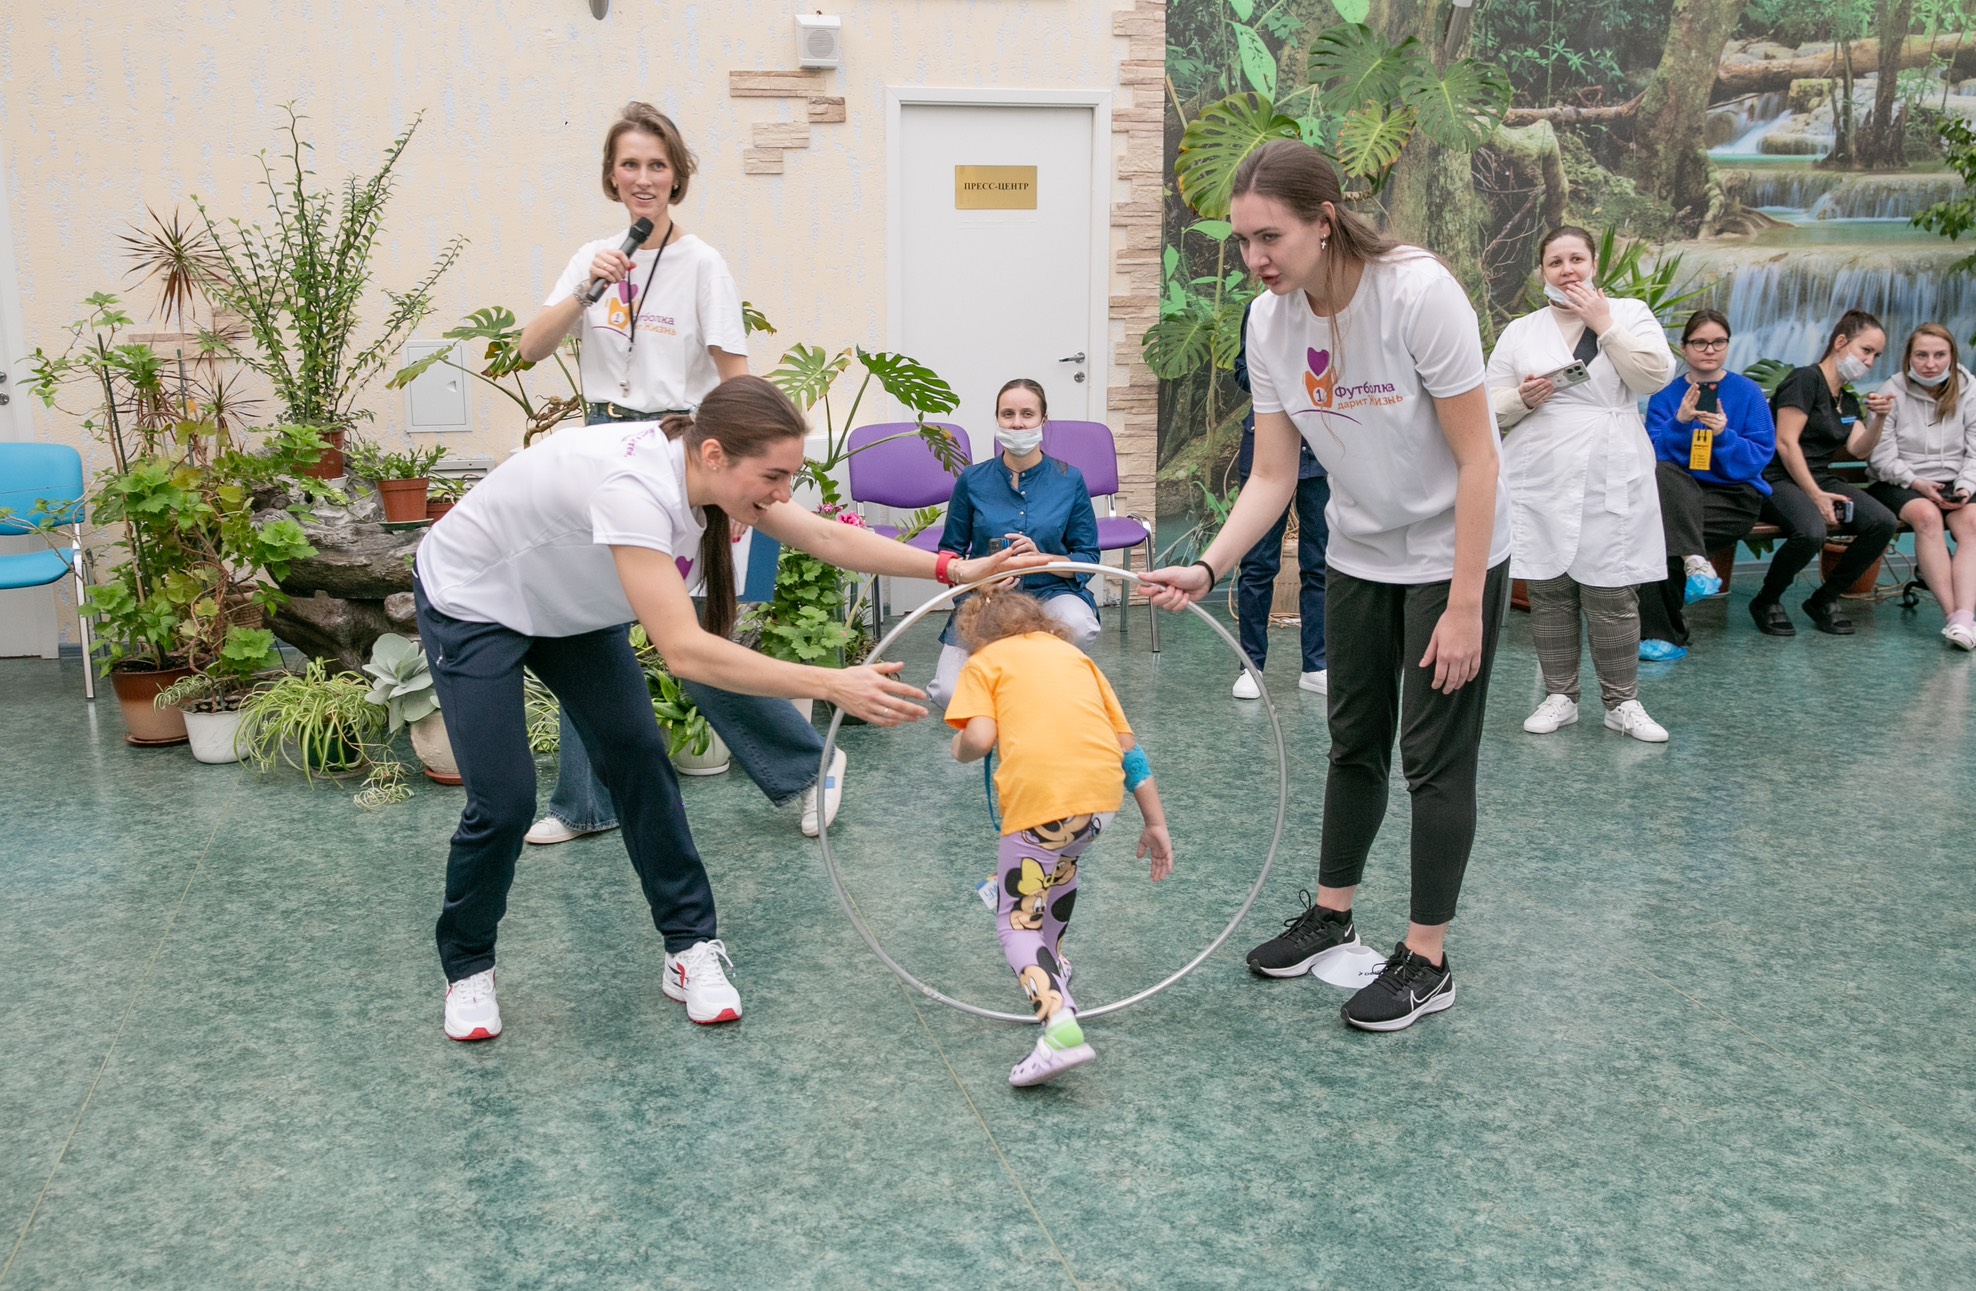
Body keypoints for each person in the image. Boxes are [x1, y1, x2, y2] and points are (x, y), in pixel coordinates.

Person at [414, 376, 1045, 1041]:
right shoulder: (634, 487)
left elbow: (824, 537)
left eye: (790, 475)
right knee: (506, 798)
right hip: (476, 597)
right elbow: (685, 652)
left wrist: (953, 570)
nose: (782, 493)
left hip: (568, 609)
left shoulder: (717, 474)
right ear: (714, 453)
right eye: (774, 476)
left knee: (638, 760)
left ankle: (689, 947)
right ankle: (469, 964)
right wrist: (832, 683)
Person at [1143, 139, 1514, 1034]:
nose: (1253, 259)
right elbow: (1273, 478)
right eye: (1241, 242)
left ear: (1326, 219)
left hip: (1450, 554)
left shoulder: (1418, 295)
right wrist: (1206, 567)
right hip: (1356, 551)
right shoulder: (1270, 325)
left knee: (1432, 757)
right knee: (1353, 740)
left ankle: (1427, 958)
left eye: (1269, 237)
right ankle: (1332, 911)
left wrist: (1465, 604)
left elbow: (1480, 460)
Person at [513, 102, 847, 845]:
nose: (642, 178)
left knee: (691, 635)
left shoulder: (703, 264)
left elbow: (735, 375)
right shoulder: (591, 258)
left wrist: (740, 464)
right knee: (581, 622)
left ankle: (807, 766)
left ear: (677, 177)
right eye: (629, 164)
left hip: (682, 449)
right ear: (611, 175)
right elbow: (528, 350)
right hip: (604, 445)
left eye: (657, 165)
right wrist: (582, 292)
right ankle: (583, 802)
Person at [945, 586, 1173, 1087]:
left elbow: (978, 738)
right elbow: (1128, 749)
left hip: (1042, 806)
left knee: (1015, 922)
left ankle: (1058, 1023)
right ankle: (1056, 964)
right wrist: (1155, 822)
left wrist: (959, 747)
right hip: (1098, 805)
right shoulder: (1075, 659)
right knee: (1062, 866)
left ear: (975, 637)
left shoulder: (984, 664)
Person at [1488, 226, 1675, 743]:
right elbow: (1488, 403)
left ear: (1594, 263)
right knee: (1549, 588)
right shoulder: (1522, 331)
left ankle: (1623, 703)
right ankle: (1559, 696)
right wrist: (1523, 398)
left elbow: (1654, 378)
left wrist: (1604, 324)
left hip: (1611, 465)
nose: (1567, 269)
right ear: (1542, 270)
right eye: (1555, 261)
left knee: (1613, 589)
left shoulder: (1631, 312)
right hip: (1541, 468)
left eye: (1576, 259)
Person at [926, 379, 1100, 707]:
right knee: (949, 694)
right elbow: (949, 552)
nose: (1017, 423)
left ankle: (1028, 685)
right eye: (1008, 414)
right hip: (985, 600)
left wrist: (1042, 559)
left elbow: (1088, 557)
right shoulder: (972, 481)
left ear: (1043, 421)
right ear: (997, 420)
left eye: (1027, 414)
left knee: (1079, 624)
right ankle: (1008, 685)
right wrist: (980, 576)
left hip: (1052, 593)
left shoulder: (1069, 480)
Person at [1638, 310, 1777, 660]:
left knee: (1663, 538)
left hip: (1732, 496)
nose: (1709, 349)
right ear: (1685, 348)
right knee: (1663, 487)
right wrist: (1680, 423)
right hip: (1678, 493)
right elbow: (1654, 453)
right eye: (1699, 342)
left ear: (1727, 346)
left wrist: (1724, 436)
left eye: (1718, 342)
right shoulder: (1667, 394)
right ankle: (1694, 563)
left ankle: (1666, 635)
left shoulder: (1747, 393)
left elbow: (1758, 457)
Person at [1753, 309, 1900, 637]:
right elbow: (1786, 442)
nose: (1870, 362)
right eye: (1866, 351)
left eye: (1877, 356)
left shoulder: (1846, 400)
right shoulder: (1805, 380)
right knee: (1812, 531)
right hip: (1778, 477)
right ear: (1841, 342)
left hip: (1820, 477)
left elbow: (1860, 448)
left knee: (1882, 522)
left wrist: (1880, 419)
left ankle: (1824, 598)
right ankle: (1766, 600)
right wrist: (1815, 495)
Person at [1229, 298, 1330, 700]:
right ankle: (1250, 666)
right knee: (1258, 564)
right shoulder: (1260, 310)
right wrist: (1277, 380)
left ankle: (1316, 664)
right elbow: (1240, 370)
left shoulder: (1333, 310)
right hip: (1266, 448)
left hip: (1323, 450)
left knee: (1319, 563)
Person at [1863, 324, 1976, 648]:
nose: (1930, 363)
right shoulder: (1891, 390)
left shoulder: (1969, 389)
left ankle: (1965, 617)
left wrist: (1966, 486)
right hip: (1900, 479)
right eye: (1922, 355)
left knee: (1971, 523)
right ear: (1909, 358)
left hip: (1956, 478)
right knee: (1927, 517)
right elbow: (1880, 459)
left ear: (1952, 357)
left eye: (1940, 355)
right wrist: (1915, 482)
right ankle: (1955, 617)